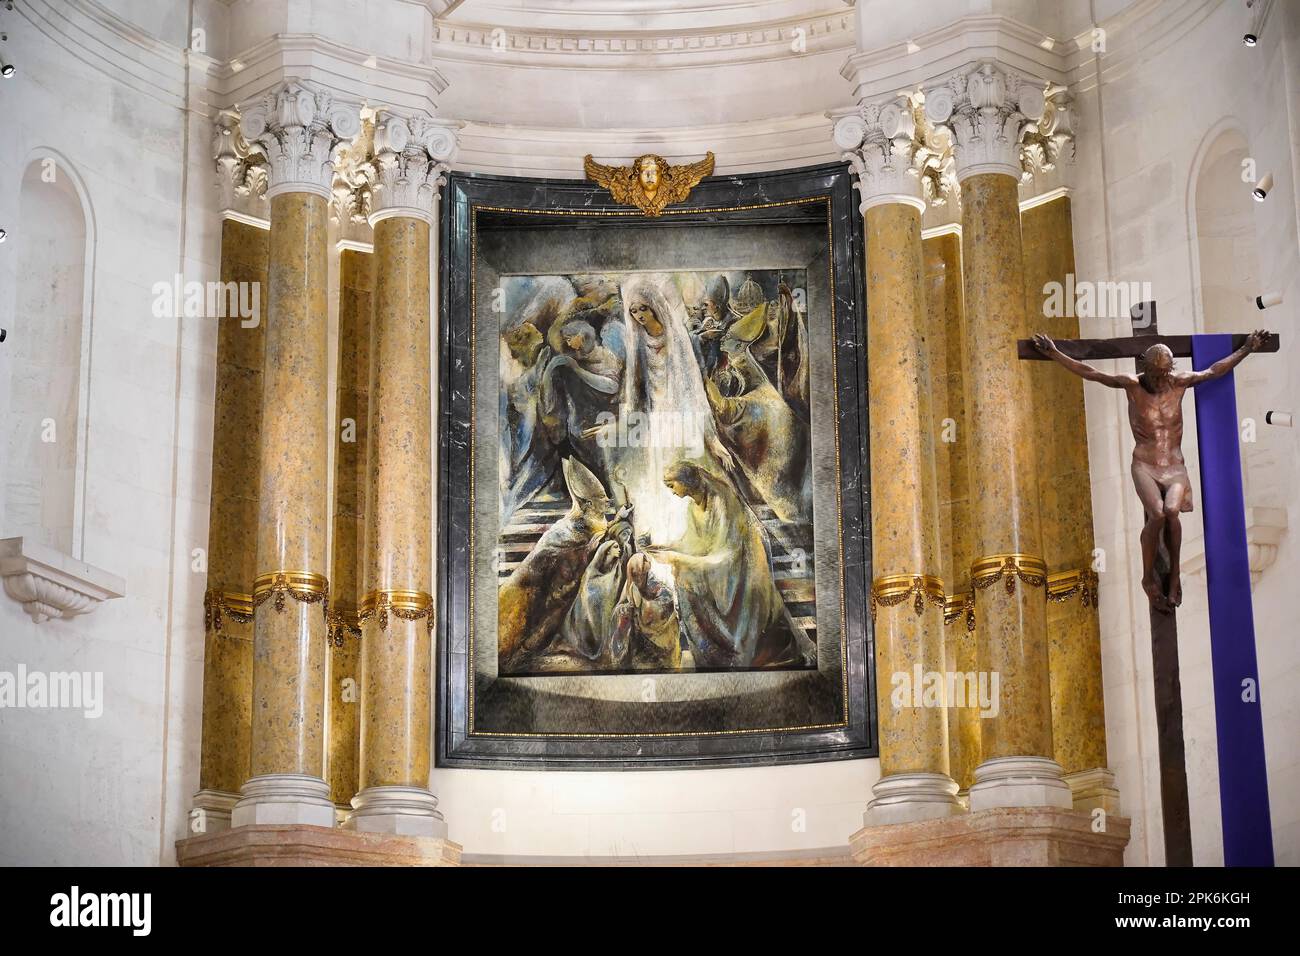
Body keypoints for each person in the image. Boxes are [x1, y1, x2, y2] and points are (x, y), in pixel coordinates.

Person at [1033, 329, 1269, 611]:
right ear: (1144, 369)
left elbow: (1214, 371)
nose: (1161, 380)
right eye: (1156, 375)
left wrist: (1247, 349)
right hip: (1145, 464)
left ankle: (1174, 575)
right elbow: (1091, 372)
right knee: (1156, 513)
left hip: (1174, 466)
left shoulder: (1179, 382)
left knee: (1171, 511)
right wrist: (1055, 353)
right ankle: (1148, 578)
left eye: (1165, 373)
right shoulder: (1131, 385)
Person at [647, 461, 807, 668]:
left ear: (686, 482)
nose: (671, 491)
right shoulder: (693, 505)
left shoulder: (720, 500)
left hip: (740, 566)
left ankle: (730, 650)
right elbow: (695, 542)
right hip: (718, 564)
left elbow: (725, 555)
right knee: (682, 576)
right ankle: (712, 652)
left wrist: (678, 558)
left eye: (672, 485)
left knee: (684, 571)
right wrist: (668, 548)